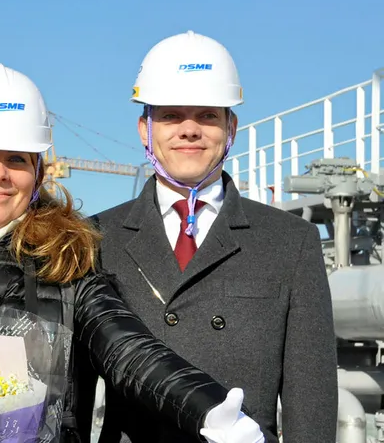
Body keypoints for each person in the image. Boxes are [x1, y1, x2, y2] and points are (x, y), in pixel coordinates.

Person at [0, 63, 266, 443]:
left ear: (36, 172)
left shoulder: (67, 266)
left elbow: (129, 350)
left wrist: (207, 409)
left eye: (16, 158)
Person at [89, 31, 337, 442]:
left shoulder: (291, 242)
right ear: (143, 129)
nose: (190, 130)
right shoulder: (96, 238)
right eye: (170, 115)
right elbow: (71, 397)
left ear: (231, 127)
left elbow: (312, 397)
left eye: (207, 115)